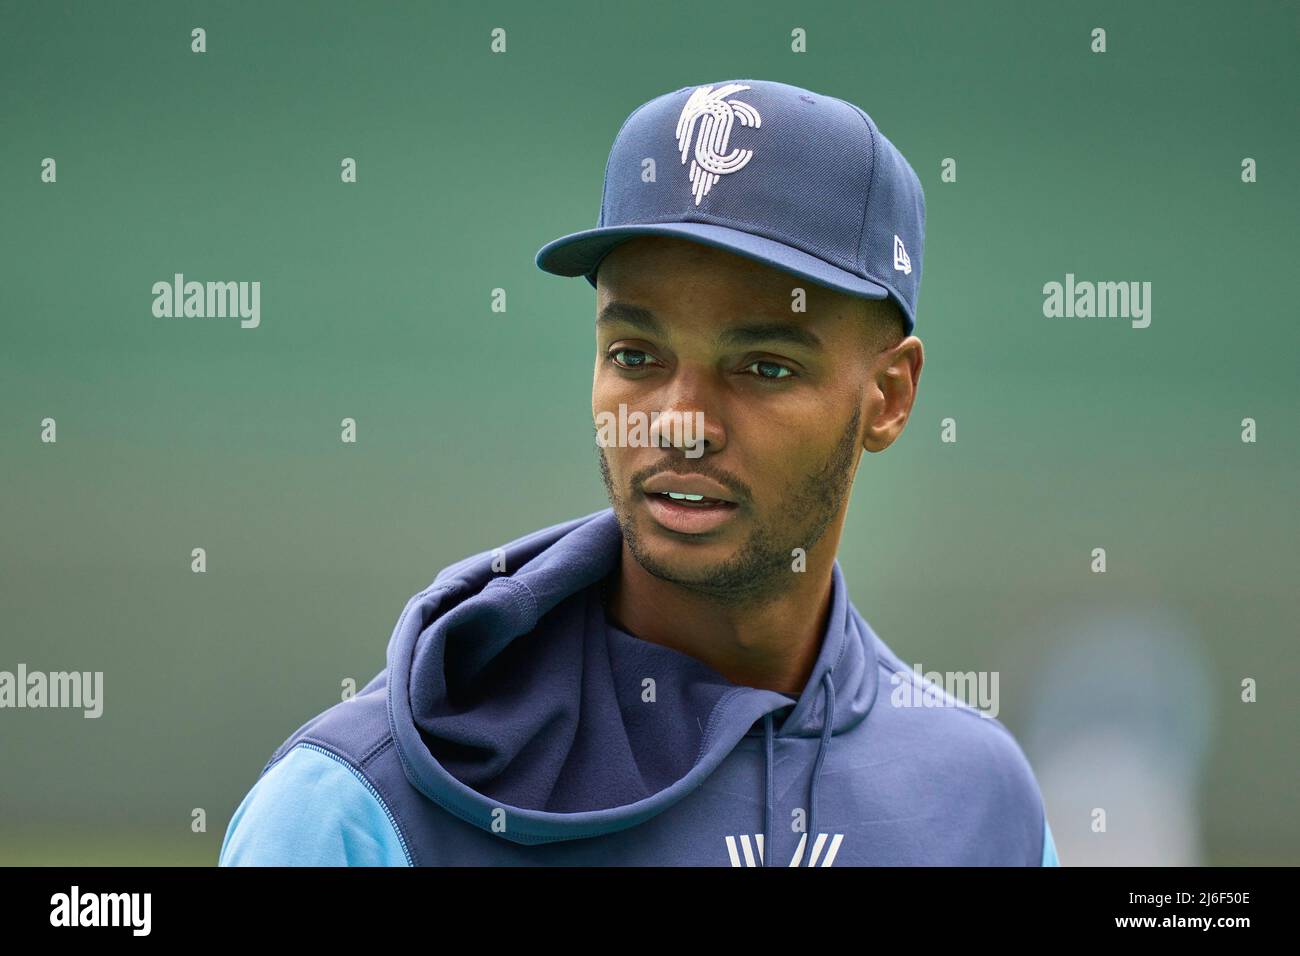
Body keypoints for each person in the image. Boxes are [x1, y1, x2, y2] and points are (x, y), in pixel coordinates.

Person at [220, 78, 1060, 866]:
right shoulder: (356, 809)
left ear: (889, 396)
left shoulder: (980, 803)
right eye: (635, 353)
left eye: (764, 365)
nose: (678, 423)